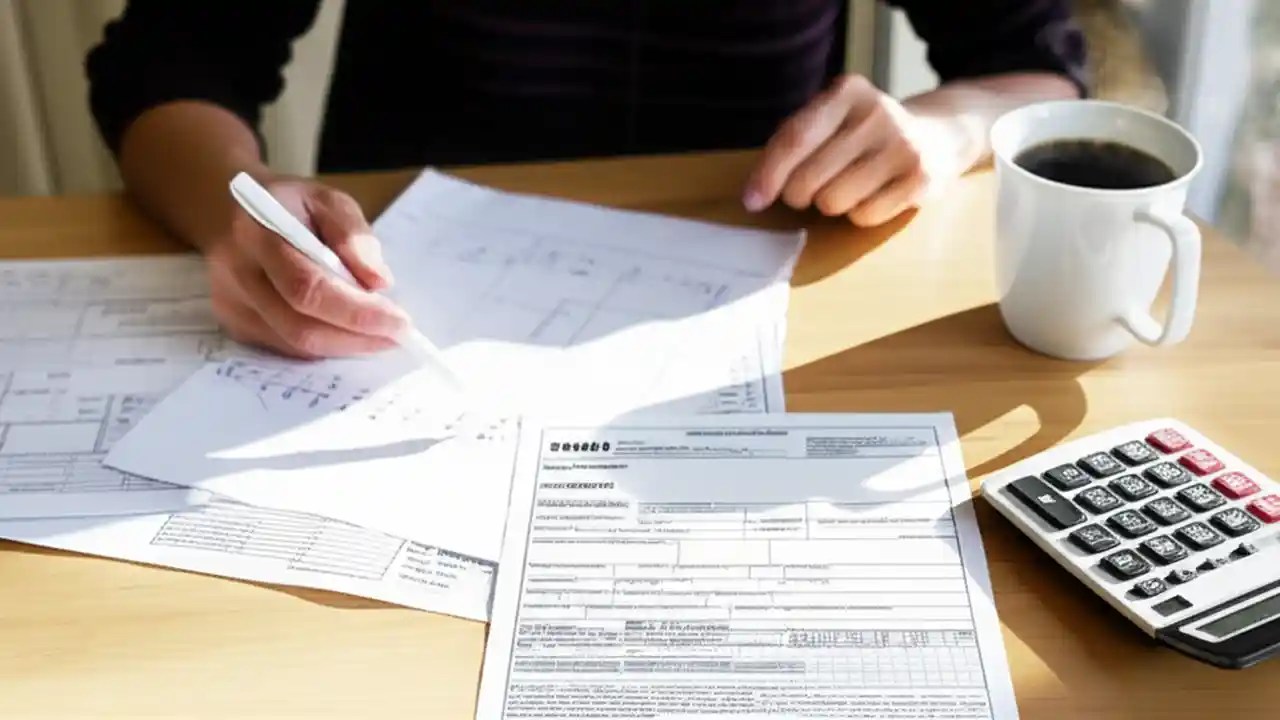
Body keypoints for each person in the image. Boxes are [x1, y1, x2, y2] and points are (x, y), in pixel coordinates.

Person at [85, 1, 1087, 359]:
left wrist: (938, 127)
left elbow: (1036, 68)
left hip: (763, 330)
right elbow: (168, 59)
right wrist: (237, 204)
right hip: (383, 316)